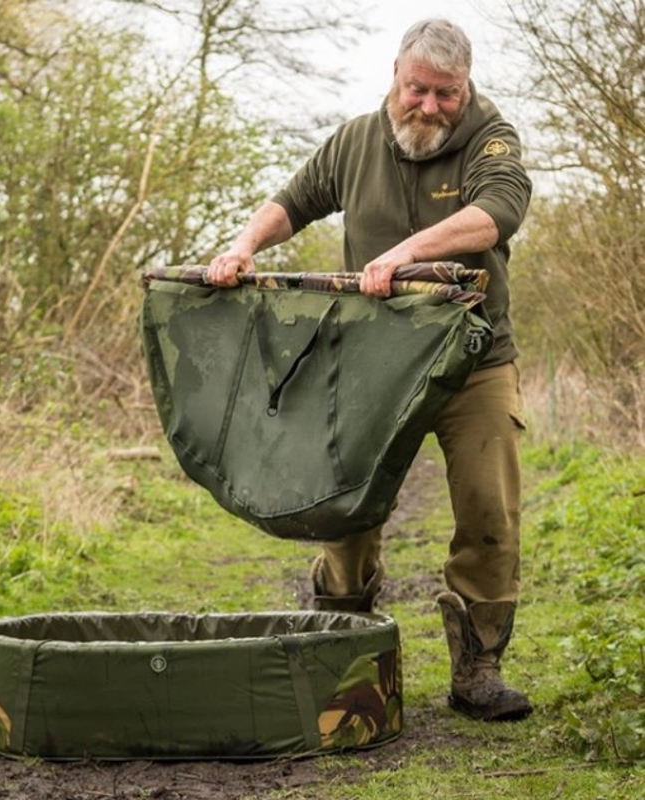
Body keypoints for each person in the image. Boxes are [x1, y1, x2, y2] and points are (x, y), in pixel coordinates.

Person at [207, 18, 533, 722]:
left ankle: (477, 669)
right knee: (344, 505)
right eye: (417, 89)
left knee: (489, 509)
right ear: (395, 76)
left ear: (465, 86)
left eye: (446, 94)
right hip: (371, 361)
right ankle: (342, 646)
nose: (430, 107)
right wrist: (242, 246)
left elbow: (497, 213)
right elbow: (292, 202)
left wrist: (405, 254)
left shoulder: (491, 135)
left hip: (472, 359)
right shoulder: (355, 139)